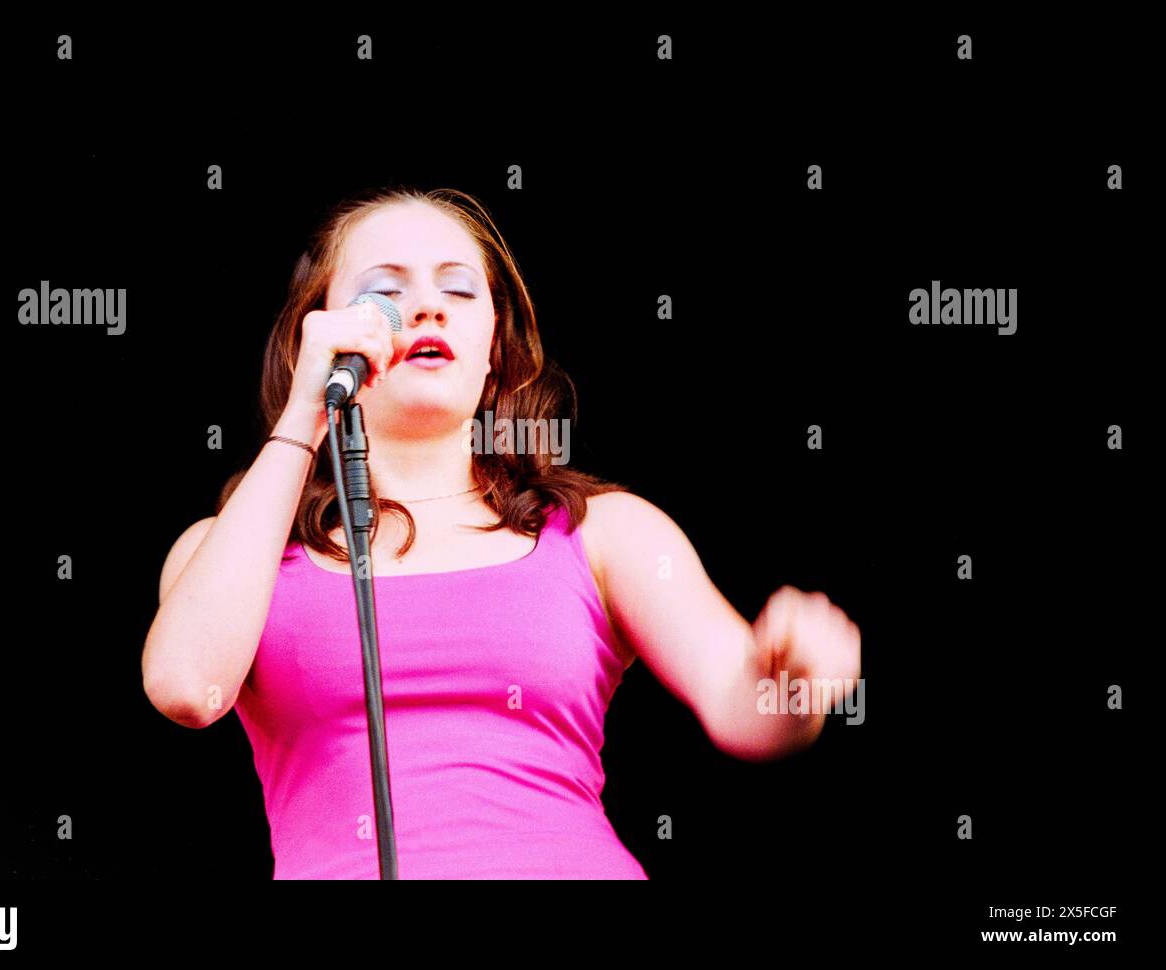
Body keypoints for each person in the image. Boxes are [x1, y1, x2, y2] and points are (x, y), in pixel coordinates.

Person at [141, 186, 862, 879]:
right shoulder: (237, 550)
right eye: (382, 292)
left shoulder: (602, 531)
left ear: (494, 343)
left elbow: (747, 711)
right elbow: (188, 688)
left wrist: (797, 681)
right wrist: (306, 414)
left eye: (458, 289)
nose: (425, 306)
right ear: (318, 327)